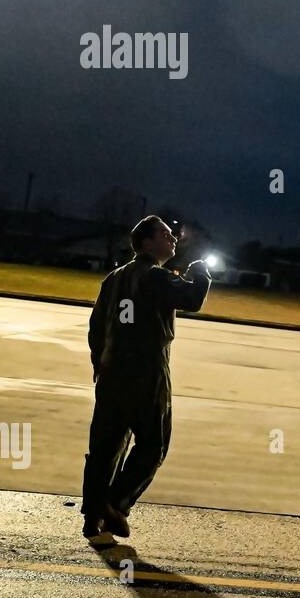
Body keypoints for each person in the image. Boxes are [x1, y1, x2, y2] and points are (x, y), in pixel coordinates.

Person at [80, 215, 211, 539]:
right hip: (147, 370)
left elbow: (96, 325)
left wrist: (99, 361)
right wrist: (200, 274)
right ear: (147, 242)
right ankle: (117, 502)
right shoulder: (155, 277)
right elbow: (192, 299)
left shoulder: (114, 278)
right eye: (166, 234)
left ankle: (92, 515)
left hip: (112, 372)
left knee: (106, 445)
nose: (173, 239)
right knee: (153, 444)